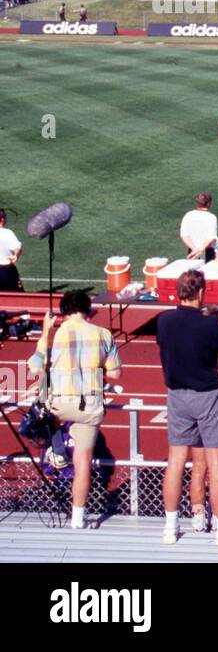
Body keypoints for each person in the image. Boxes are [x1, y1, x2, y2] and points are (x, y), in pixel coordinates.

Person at [157, 270, 218, 545]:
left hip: (177, 395)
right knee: (216, 463)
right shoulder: (211, 326)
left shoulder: (164, 321)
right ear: (201, 293)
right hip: (209, 395)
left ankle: (170, 527)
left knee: (176, 460)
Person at [26, 291, 122, 529]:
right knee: (83, 463)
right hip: (89, 405)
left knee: (43, 405)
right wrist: (92, 371)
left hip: (60, 402)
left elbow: (36, 366)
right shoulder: (103, 334)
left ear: (63, 311)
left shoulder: (56, 334)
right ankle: (78, 518)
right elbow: (116, 374)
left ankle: (56, 448)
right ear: (87, 309)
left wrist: (46, 330)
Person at [180, 191, 218, 262]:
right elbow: (211, 237)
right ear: (209, 203)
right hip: (209, 252)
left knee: (194, 272)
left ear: (197, 202)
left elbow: (184, 235)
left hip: (192, 251)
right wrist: (200, 250)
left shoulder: (188, 215)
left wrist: (194, 249)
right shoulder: (211, 217)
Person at [0, 208, 23, 291]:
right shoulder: (8, 233)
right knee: (15, 297)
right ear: (2, 219)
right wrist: (16, 255)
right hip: (6, 272)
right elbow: (18, 247)